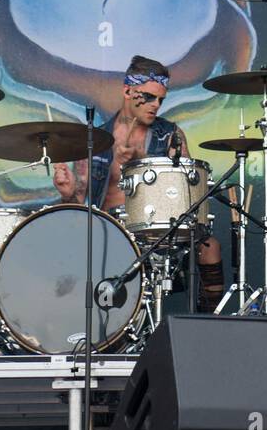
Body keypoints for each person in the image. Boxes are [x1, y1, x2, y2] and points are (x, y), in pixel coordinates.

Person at [52, 55, 224, 313]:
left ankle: (208, 321)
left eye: (161, 99)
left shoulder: (170, 135)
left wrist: (141, 161)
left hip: (159, 230)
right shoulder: (94, 141)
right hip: (110, 230)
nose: (155, 105)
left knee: (210, 247)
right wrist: (66, 194)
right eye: (148, 97)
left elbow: (187, 188)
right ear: (127, 91)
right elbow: (78, 205)